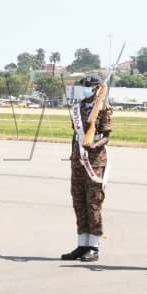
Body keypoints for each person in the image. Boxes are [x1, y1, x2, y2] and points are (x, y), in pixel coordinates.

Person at [62, 74, 113, 262]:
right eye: (84, 85)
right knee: (79, 202)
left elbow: (106, 136)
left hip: (95, 161)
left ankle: (93, 246)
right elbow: (76, 134)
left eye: (89, 86)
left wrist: (94, 146)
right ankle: (82, 244)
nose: (85, 88)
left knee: (93, 203)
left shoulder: (104, 108)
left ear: (97, 88)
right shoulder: (78, 107)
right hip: (78, 160)